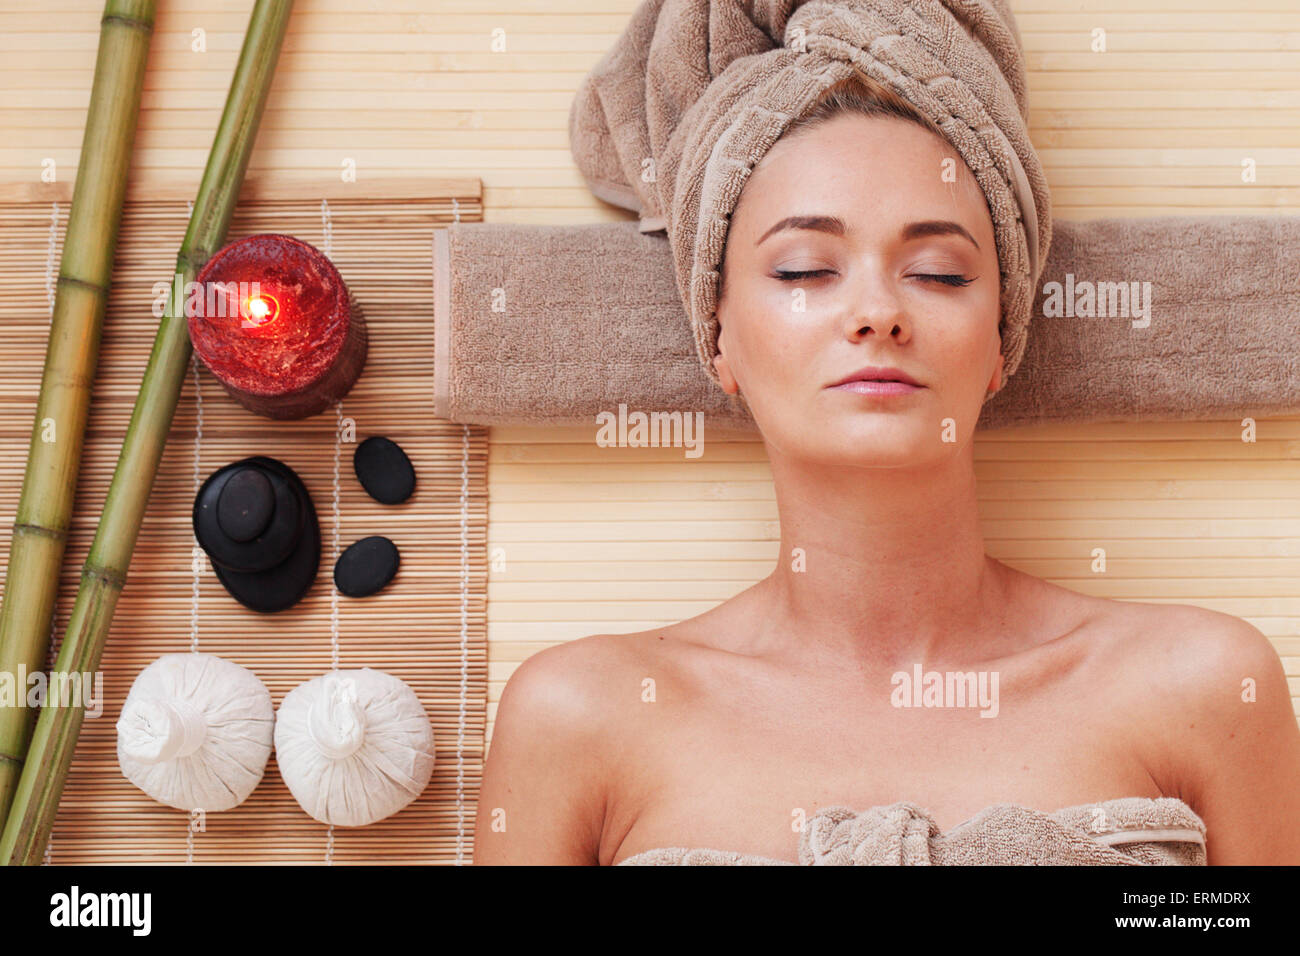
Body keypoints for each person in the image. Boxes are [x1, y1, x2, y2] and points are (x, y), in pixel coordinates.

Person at [473, 75, 1300, 865]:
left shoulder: (1204, 688)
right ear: (717, 337)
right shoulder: (577, 720)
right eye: (803, 270)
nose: (877, 313)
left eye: (939, 273)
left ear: (1001, 342)